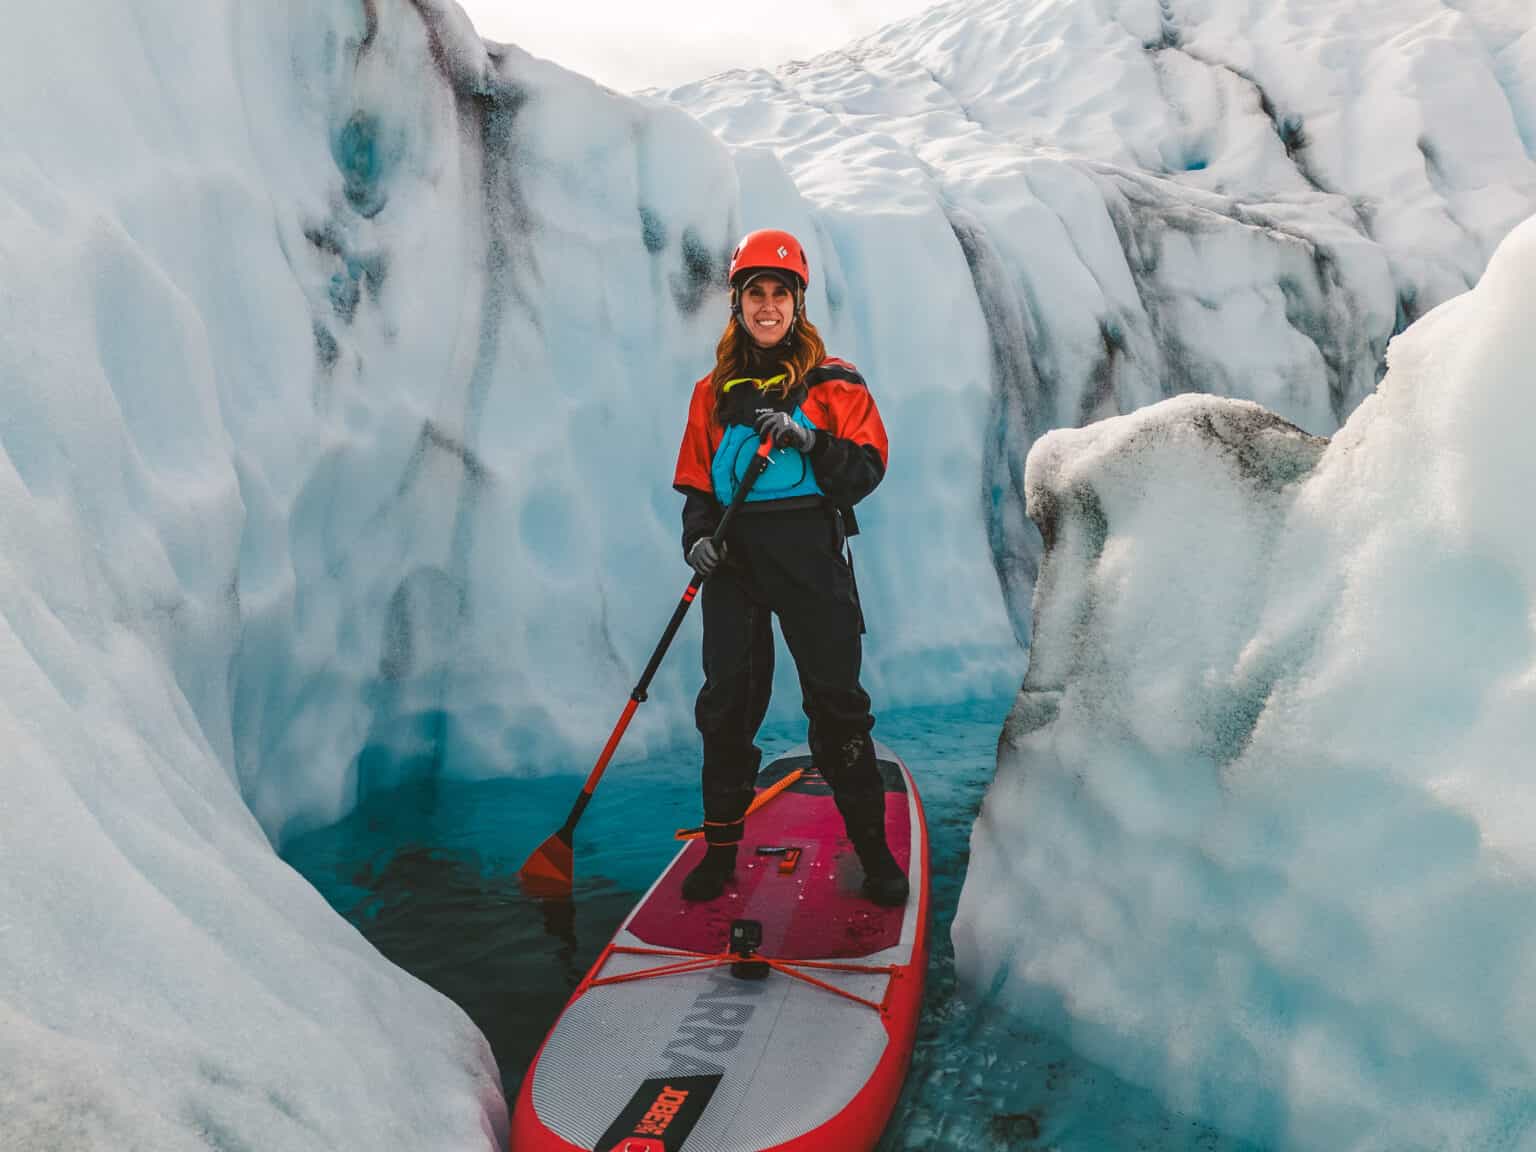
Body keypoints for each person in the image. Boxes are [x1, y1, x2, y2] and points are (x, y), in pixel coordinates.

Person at [671, 227, 909, 907]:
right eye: (755, 294)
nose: (767, 306)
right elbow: (698, 487)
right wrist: (697, 541)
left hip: (811, 560)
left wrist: (812, 440)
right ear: (739, 305)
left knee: (837, 709)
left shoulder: (834, 383)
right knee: (726, 709)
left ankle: (873, 852)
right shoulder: (711, 393)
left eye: (780, 293)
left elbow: (865, 470)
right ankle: (719, 853)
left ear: (797, 304)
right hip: (735, 565)